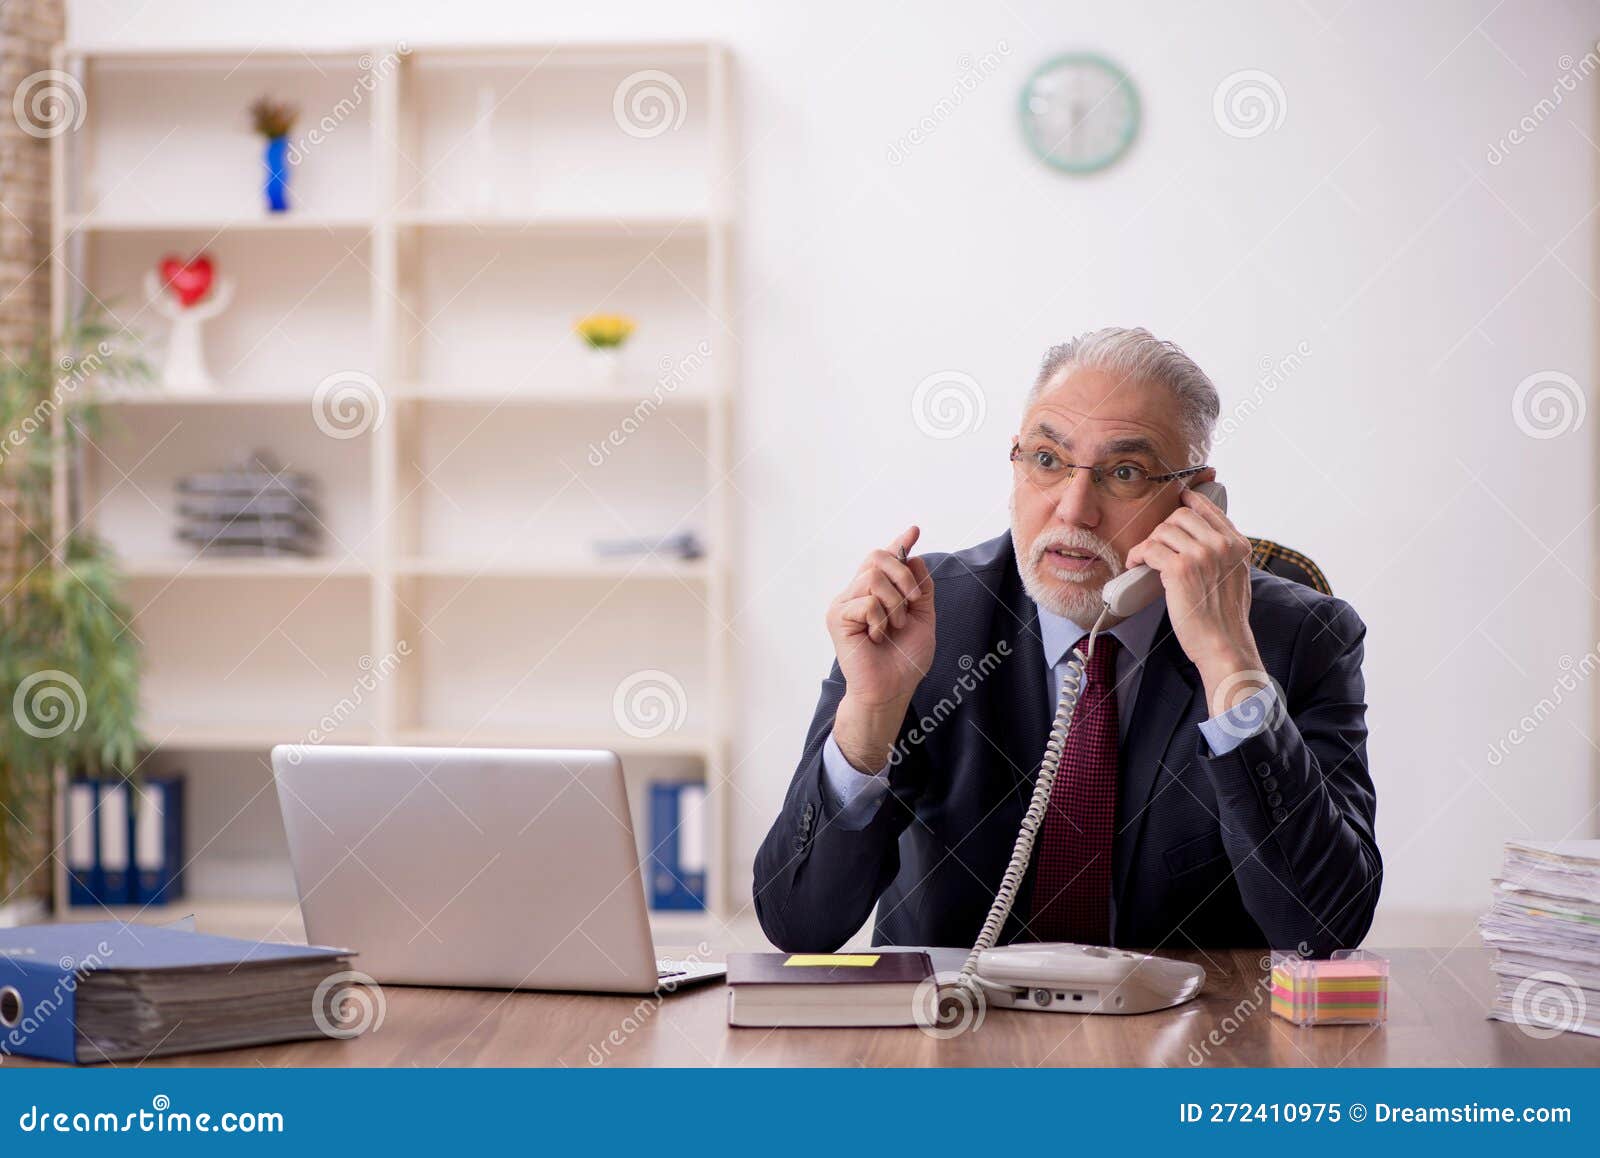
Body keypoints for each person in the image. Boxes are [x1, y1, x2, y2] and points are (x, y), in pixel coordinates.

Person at [753, 327, 1380, 956]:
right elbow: (798, 925)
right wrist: (869, 717)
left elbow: (1324, 932)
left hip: (1190, 1041)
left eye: (1125, 472)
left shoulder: (1299, 639)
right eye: (1047, 461)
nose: (1074, 509)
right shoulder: (921, 615)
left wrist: (1229, 665)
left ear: (1197, 499)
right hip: (952, 1037)